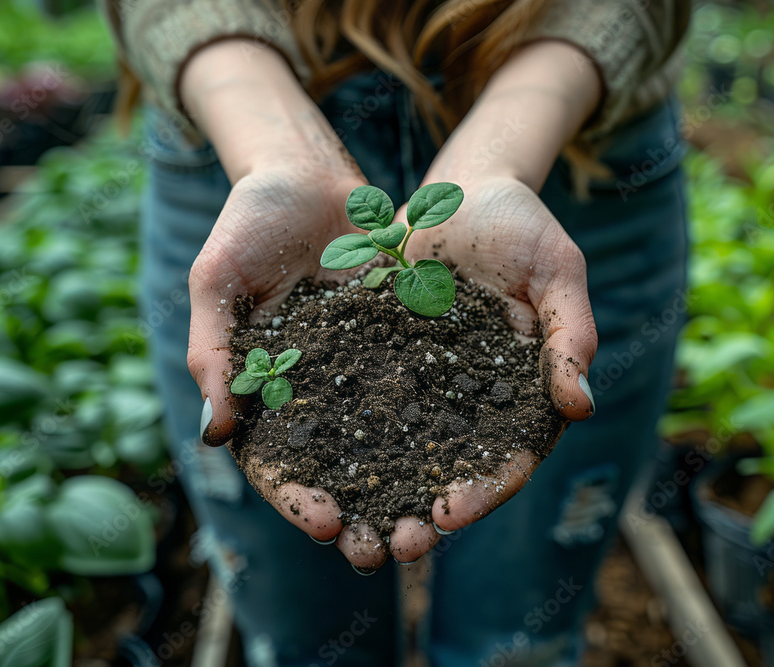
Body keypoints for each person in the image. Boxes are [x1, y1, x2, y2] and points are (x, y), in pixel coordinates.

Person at [103, 0, 690, 663]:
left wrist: (501, 156)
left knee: (519, 644)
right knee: (309, 647)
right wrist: (274, 147)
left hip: (578, 126)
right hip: (229, 124)